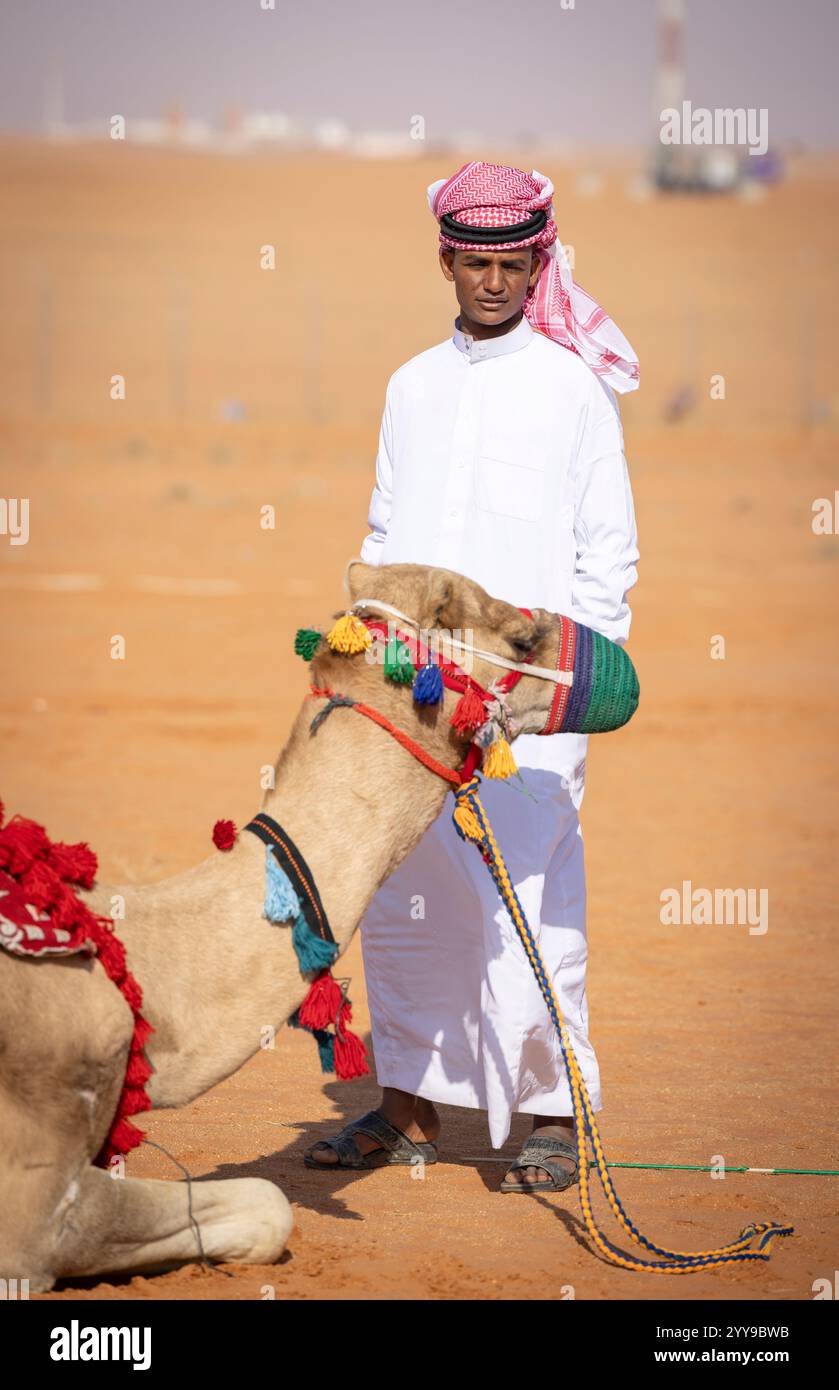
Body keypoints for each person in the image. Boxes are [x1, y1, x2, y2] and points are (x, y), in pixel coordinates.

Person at [304, 161, 640, 1192]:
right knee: (405, 900)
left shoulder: (572, 389)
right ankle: (402, 1105)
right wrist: (371, 647)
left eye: (511, 264)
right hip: (413, 700)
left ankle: (549, 1111)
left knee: (528, 904)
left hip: (523, 708)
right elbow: (382, 528)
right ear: (444, 260)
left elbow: (605, 556)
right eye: (473, 262)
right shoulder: (411, 386)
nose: (491, 281)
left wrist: (561, 693)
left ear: (536, 263)